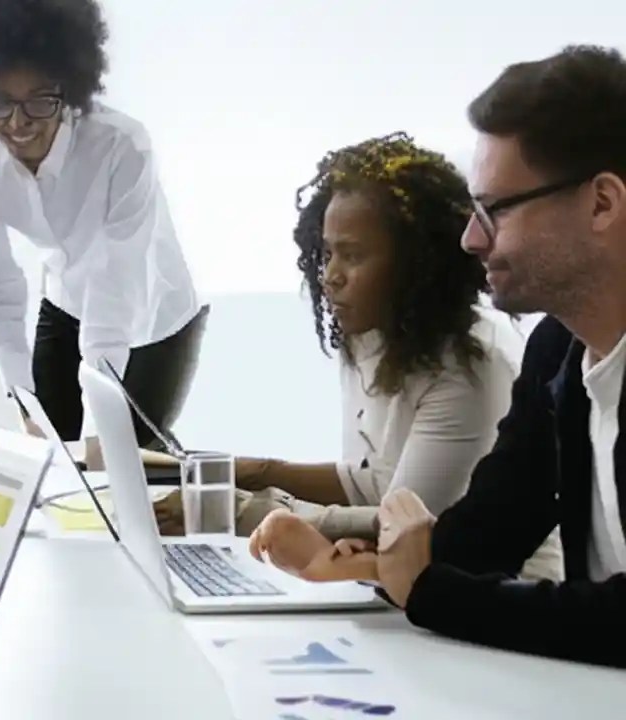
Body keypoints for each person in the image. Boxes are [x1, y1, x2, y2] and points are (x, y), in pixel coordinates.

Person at [260, 45, 626, 669]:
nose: (471, 238)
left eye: (496, 211)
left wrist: (428, 591)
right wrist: (361, 564)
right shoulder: (557, 351)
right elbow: (480, 538)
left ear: (601, 203)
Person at [156, 133, 562, 581]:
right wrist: (257, 472)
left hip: (497, 598)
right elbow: (380, 482)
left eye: (352, 255)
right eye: (327, 253)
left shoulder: (470, 367)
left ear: (416, 263)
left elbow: (404, 527)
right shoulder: (375, 337)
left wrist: (244, 509)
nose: (330, 276)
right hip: (400, 585)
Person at [0, 0, 207, 453]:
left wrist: (103, 425)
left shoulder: (122, 146)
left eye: (39, 100)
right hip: (64, 299)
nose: (17, 123)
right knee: (46, 454)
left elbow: (116, 290)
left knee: (129, 459)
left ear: (69, 90)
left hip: (155, 315)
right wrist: (22, 398)